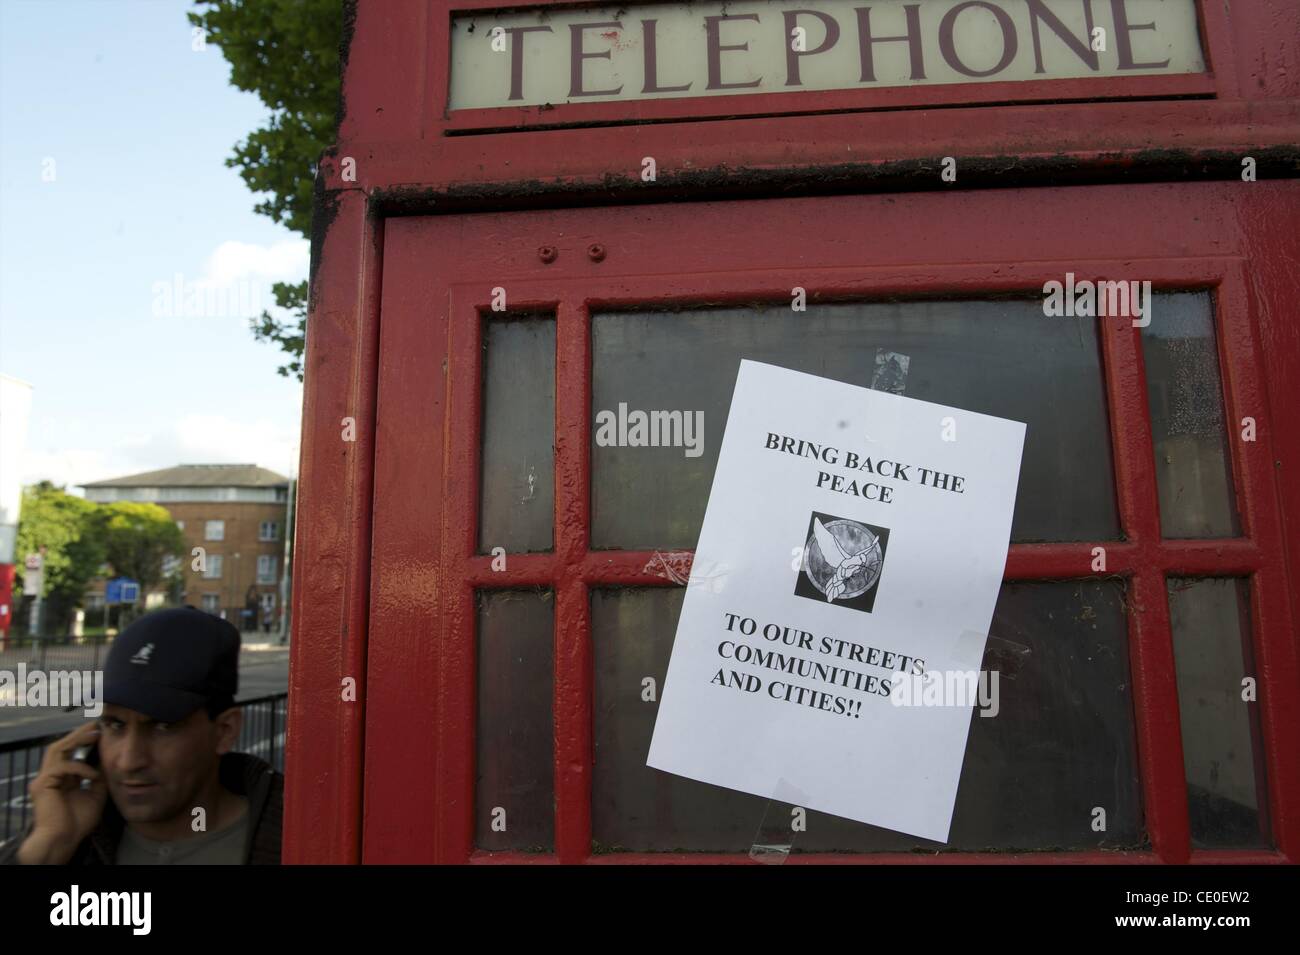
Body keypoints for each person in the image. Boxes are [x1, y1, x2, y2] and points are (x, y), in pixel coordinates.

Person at [0, 606, 283, 865]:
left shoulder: (291, 840)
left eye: (163, 726)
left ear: (225, 731)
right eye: (115, 725)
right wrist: (48, 846)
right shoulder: (71, 838)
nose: (128, 761)